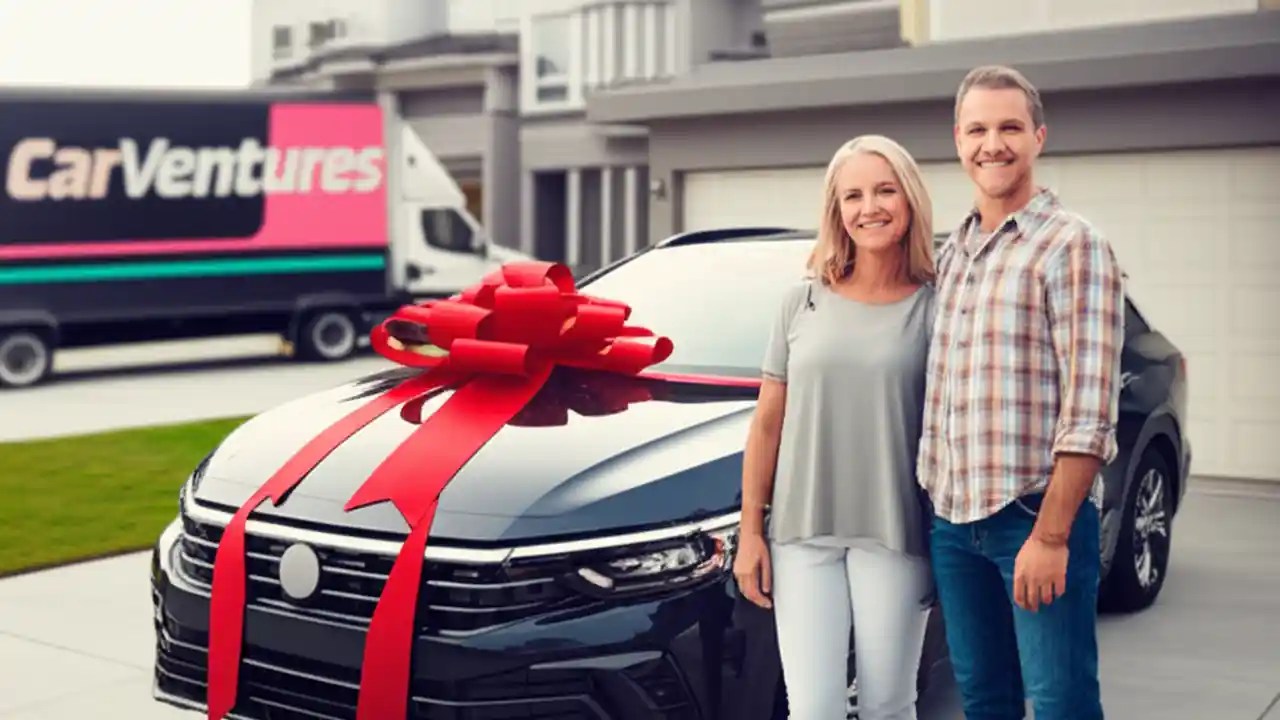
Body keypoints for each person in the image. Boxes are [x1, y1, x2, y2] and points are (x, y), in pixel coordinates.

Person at [918, 65, 1125, 720]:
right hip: (953, 524)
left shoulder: (1072, 246)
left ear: (1038, 136)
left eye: (1010, 127)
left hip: (1033, 518)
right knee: (986, 702)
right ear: (958, 139)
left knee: (1060, 703)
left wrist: (1053, 536)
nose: (993, 144)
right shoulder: (952, 254)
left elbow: (1090, 412)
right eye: (978, 129)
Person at [734, 134, 938, 720]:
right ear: (837, 210)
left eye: (883, 190)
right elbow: (767, 425)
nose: (868, 207)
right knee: (814, 709)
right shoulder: (801, 302)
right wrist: (753, 532)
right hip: (801, 535)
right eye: (853, 195)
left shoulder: (939, 305)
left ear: (909, 199)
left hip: (895, 536)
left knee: (889, 706)